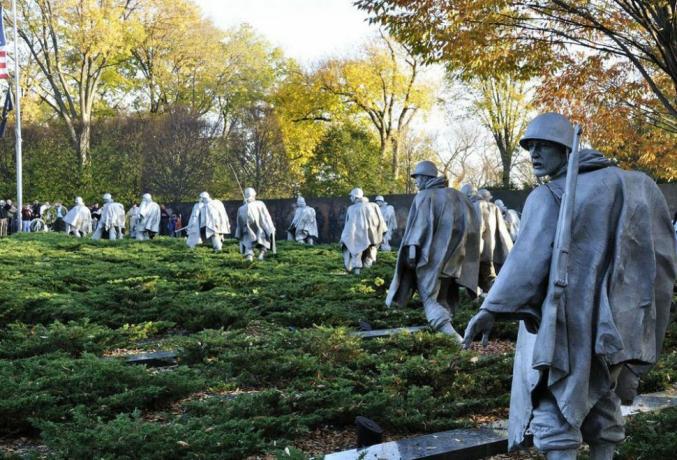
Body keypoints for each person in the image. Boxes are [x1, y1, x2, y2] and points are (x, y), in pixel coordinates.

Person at [463, 113, 676, 460]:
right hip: (614, 327)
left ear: (565, 149)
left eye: (543, 146)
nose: (533, 154)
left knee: (554, 409)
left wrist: (490, 309)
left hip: (565, 324)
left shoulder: (547, 195)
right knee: (600, 398)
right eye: (530, 147)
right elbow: (661, 256)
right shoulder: (629, 184)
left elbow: (526, 262)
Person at [386, 160, 480, 341]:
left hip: (430, 259)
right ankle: (443, 337)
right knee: (441, 296)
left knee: (428, 297)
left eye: (417, 177)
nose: (416, 182)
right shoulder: (457, 195)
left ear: (424, 177)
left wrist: (412, 254)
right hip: (455, 258)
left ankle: (455, 339)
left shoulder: (424, 196)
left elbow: (417, 228)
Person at [340, 188, 387, 274]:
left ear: (355, 196)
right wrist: (380, 234)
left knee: (356, 253)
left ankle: (357, 275)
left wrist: (344, 237)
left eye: (351, 196)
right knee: (369, 254)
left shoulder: (352, 208)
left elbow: (348, 225)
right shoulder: (373, 206)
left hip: (356, 237)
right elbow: (381, 222)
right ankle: (366, 275)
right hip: (371, 237)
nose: (350, 198)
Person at [235, 188, 275, 260]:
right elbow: (266, 216)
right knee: (263, 240)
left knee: (248, 243)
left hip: (247, 230)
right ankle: (262, 253)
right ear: (253, 195)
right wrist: (270, 227)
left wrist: (239, 233)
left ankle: (249, 255)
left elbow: (239, 223)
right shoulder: (259, 204)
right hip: (259, 229)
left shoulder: (241, 208)